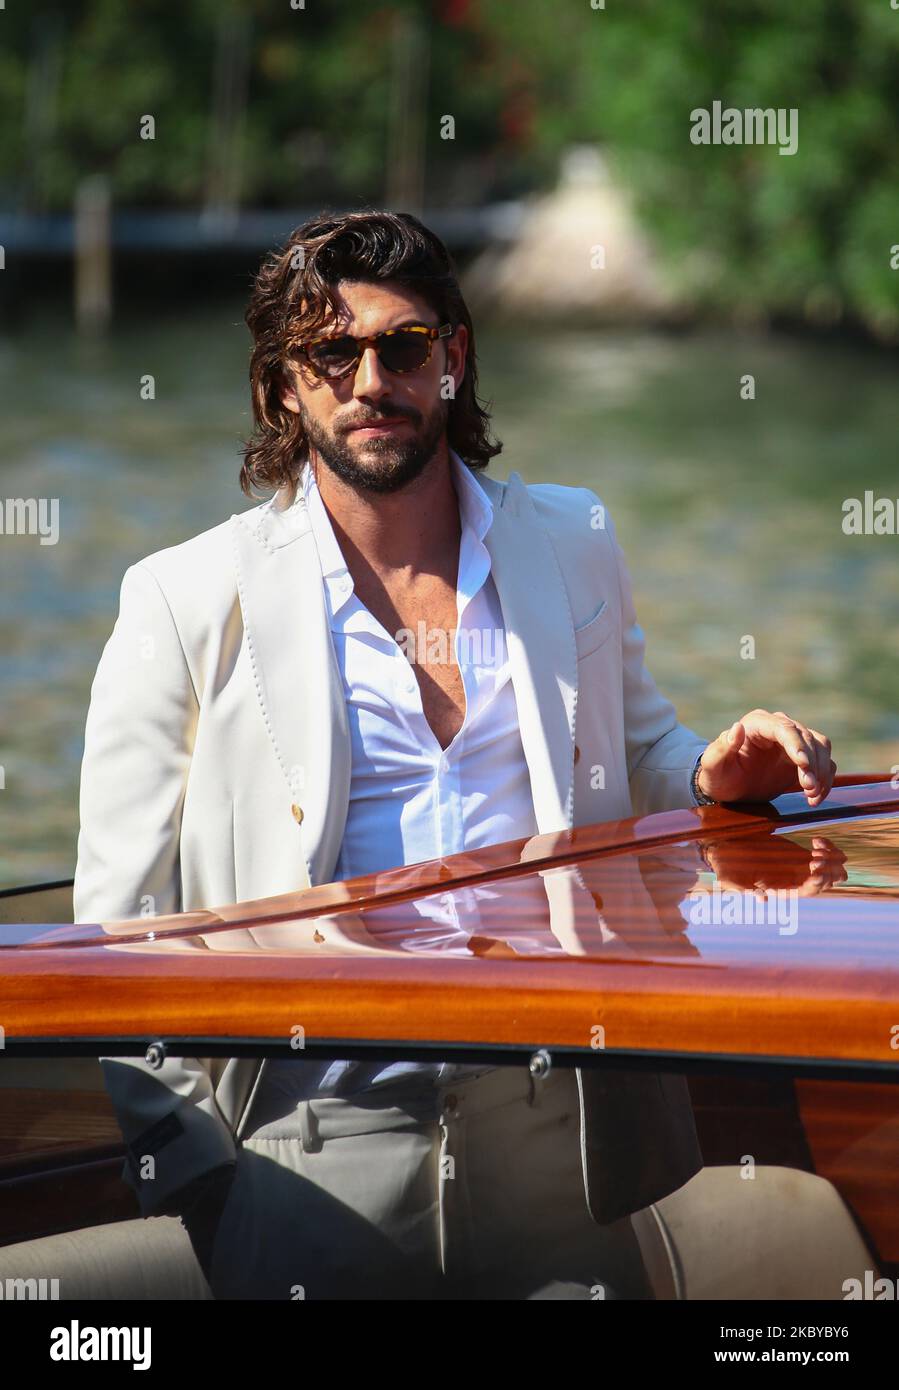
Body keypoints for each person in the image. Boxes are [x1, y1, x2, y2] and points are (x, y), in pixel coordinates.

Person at [73, 209, 836, 1299]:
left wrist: (715, 775)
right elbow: (120, 929)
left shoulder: (570, 540)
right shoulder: (185, 600)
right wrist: (206, 1178)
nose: (368, 377)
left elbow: (634, 753)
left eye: (403, 345)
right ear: (284, 385)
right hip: (313, 1149)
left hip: (559, 1132)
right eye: (330, 352)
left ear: (453, 358)